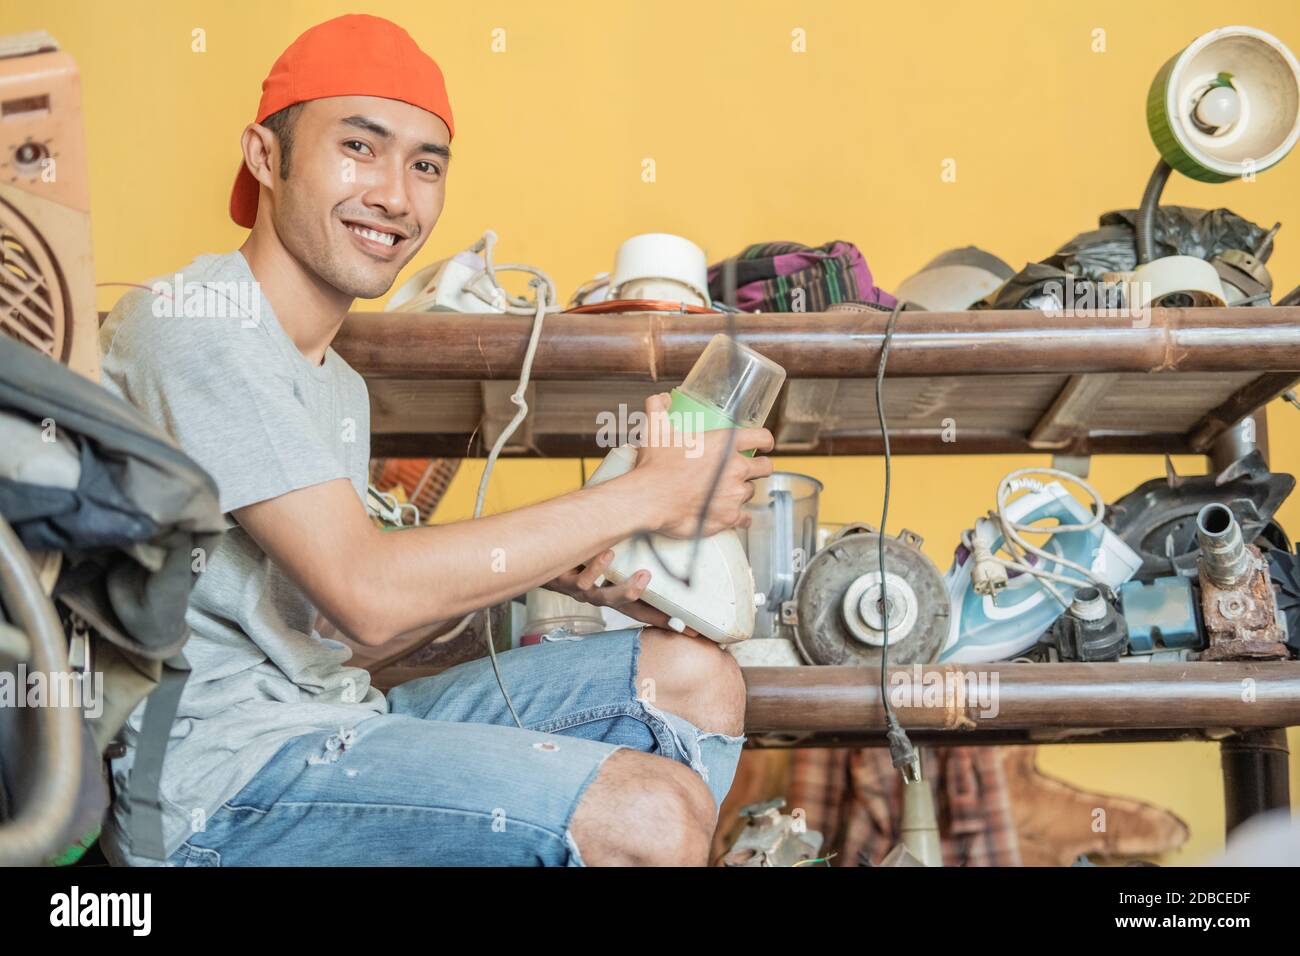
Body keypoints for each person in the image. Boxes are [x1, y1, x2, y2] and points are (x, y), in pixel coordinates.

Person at [97, 14, 772, 867]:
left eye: (425, 165)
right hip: (217, 784)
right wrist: (641, 495)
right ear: (265, 157)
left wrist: (551, 566)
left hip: (333, 724)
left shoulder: (335, 383)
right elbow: (366, 591)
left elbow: (350, 639)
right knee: (648, 818)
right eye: (359, 146)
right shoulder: (194, 323)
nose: (394, 195)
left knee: (692, 678)